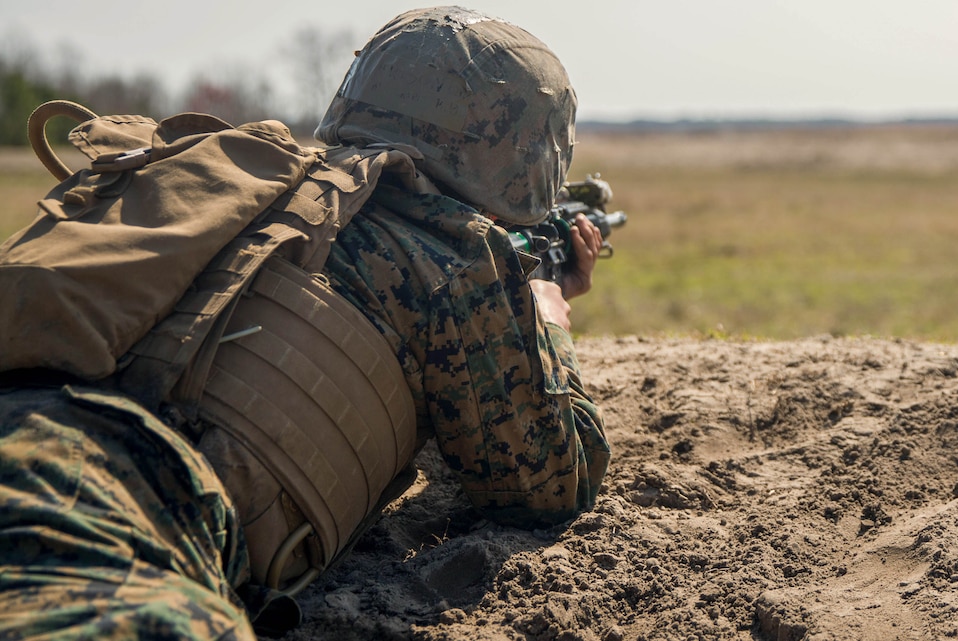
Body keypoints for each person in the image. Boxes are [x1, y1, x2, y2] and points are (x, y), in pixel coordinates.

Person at [0, 6, 609, 640]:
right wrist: (547, 318)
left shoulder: (252, 184)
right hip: (119, 507)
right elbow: (549, 485)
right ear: (523, 154)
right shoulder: (452, 258)